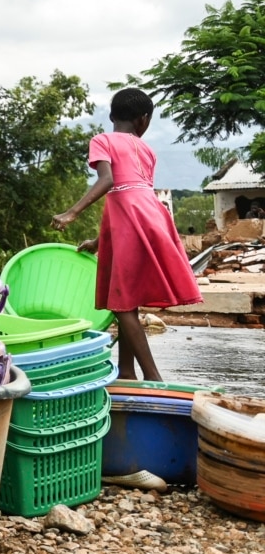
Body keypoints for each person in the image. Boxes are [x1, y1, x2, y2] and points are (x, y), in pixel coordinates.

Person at [52, 88, 202, 382]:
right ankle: (126, 371)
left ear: (111, 116)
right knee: (127, 300)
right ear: (143, 120)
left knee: (121, 304)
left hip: (131, 220)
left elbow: (109, 182)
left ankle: (154, 378)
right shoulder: (147, 150)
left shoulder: (102, 140)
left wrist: (72, 212)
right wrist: (98, 242)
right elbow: (126, 194)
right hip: (153, 217)